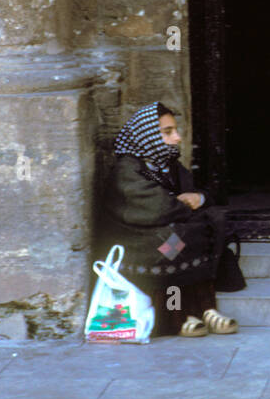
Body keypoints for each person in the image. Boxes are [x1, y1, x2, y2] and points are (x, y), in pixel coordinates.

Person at [96, 101, 239, 337]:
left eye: (175, 131)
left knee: (194, 232)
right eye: (168, 132)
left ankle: (205, 309)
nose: (177, 138)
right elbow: (157, 209)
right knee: (173, 243)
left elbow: (194, 195)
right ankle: (176, 317)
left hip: (164, 233)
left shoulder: (168, 166)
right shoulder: (127, 170)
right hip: (136, 241)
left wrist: (198, 199)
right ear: (147, 136)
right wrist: (184, 205)